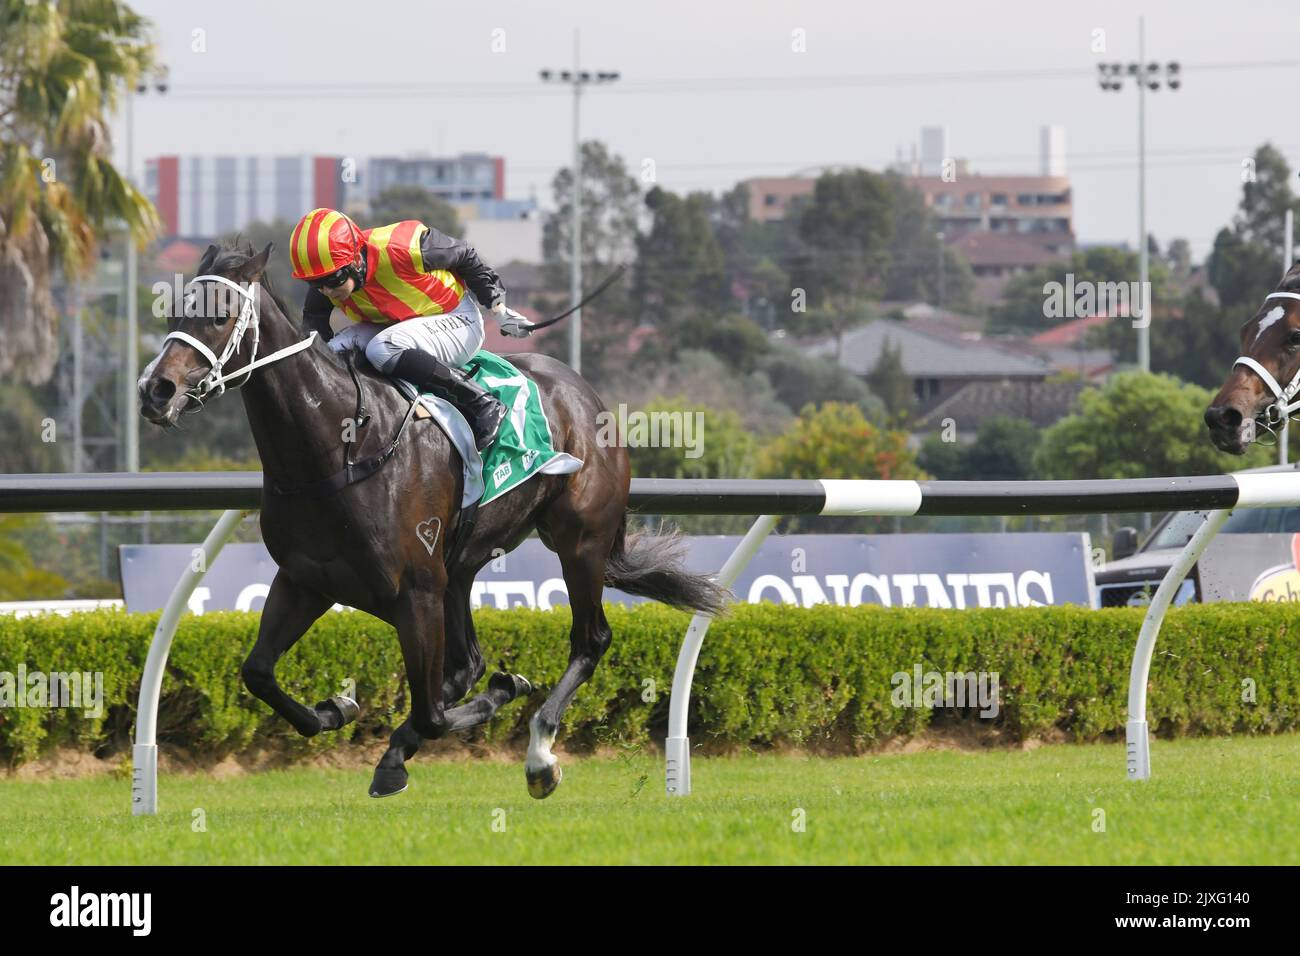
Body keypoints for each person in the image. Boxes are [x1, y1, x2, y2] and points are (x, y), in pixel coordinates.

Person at [288, 207, 536, 451]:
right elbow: (313, 329)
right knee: (331, 352)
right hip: (395, 327)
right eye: (315, 283)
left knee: (381, 349)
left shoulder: (403, 246)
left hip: (456, 320)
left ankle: (481, 402)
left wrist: (498, 309)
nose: (326, 291)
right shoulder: (327, 278)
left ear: (355, 260)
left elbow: (465, 255)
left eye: (333, 279)